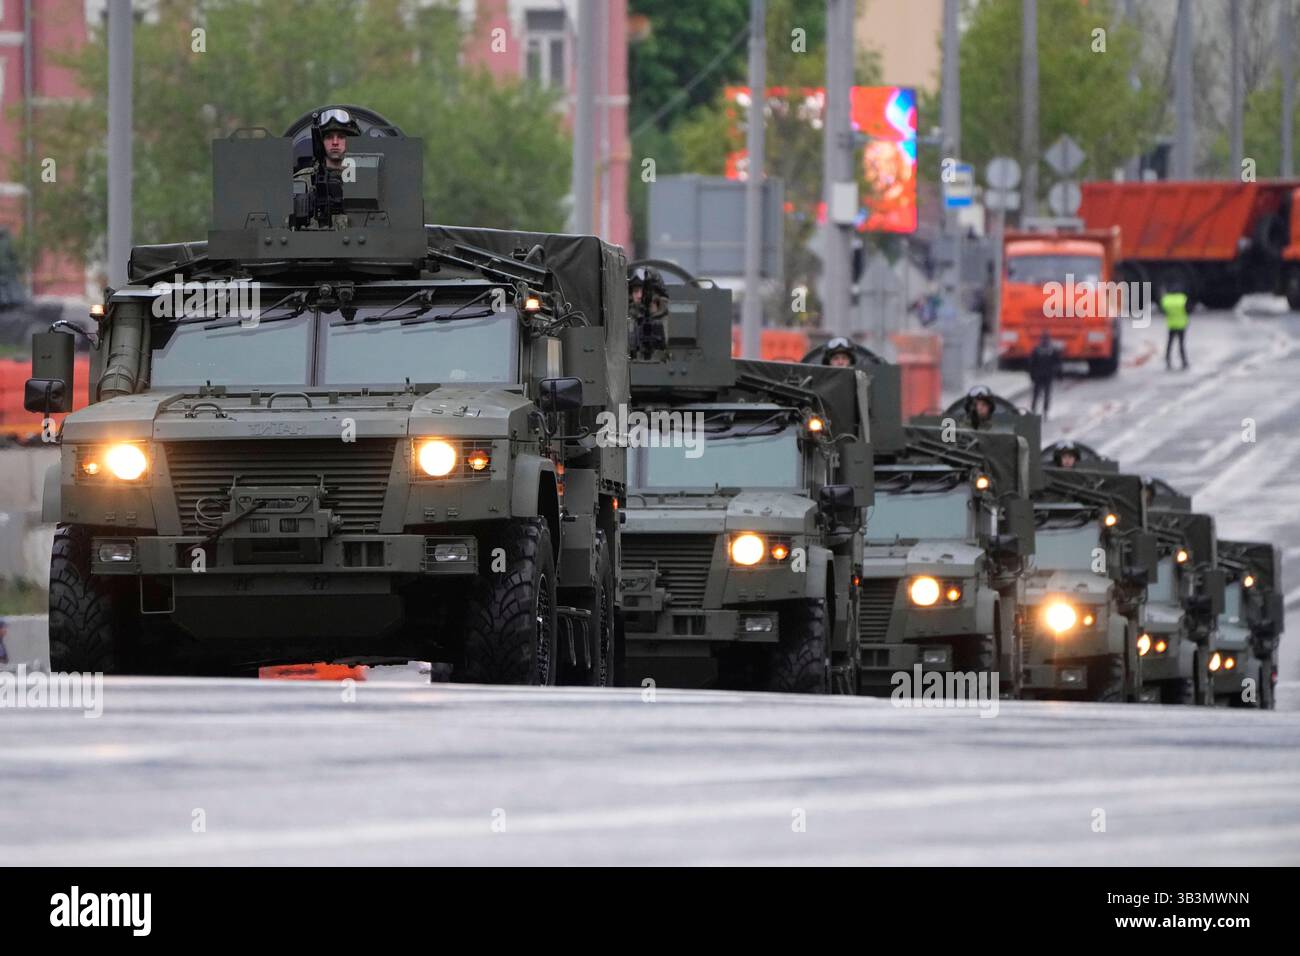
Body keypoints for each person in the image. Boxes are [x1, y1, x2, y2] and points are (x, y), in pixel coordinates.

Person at [1027, 332, 1062, 419]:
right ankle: (1045, 411)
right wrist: (1058, 374)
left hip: (1038, 375)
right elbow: (1057, 363)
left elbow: (1031, 363)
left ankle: (1034, 410)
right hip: (1048, 375)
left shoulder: (1036, 349)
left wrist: (1031, 375)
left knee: (1036, 394)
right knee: (1046, 394)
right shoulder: (1052, 350)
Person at [1161, 289, 1189, 370]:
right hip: (1181, 325)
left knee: (1169, 344)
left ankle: (1167, 360)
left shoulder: (1166, 299)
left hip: (1171, 325)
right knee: (1181, 345)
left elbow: (1163, 310)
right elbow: (1188, 309)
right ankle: (1184, 362)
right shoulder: (1182, 298)